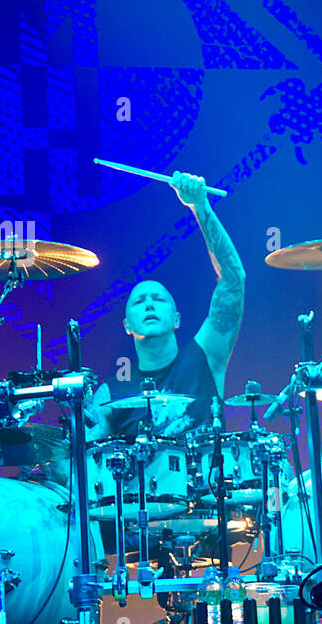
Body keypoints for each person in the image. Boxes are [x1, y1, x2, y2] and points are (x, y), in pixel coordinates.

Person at [86, 171, 246, 440]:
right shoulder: (111, 393)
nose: (149, 304)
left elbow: (233, 280)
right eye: (139, 301)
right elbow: (89, 459)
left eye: (159, 299)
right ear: (127, 325)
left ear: (177, 319)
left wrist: (200, 205)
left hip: (207, 481)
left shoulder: (204, 357)